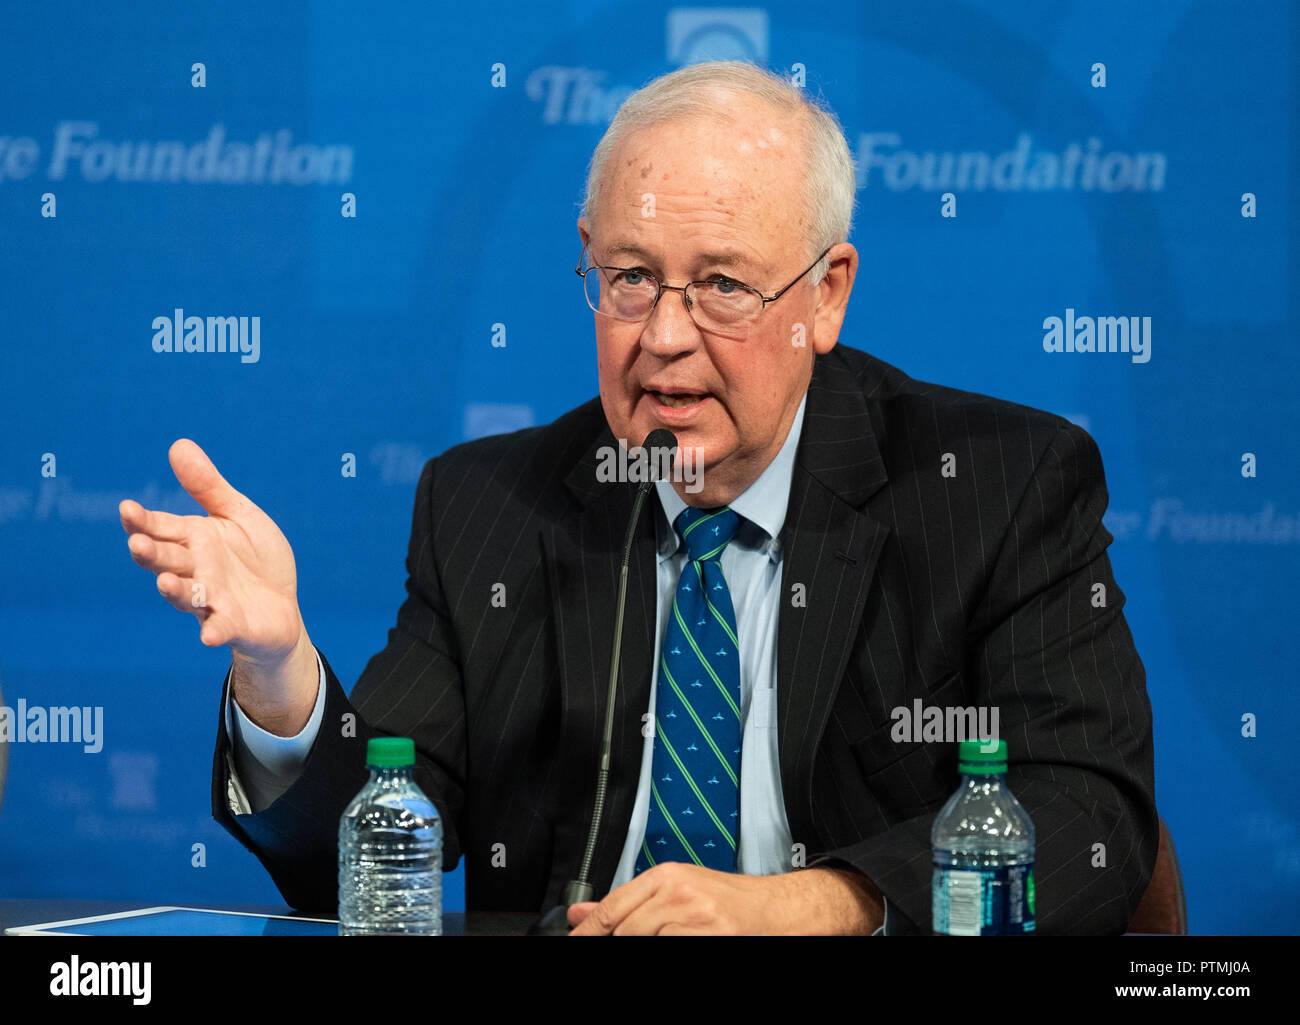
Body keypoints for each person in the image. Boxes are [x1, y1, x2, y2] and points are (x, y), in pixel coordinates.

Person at [119, 61, 1157, 935]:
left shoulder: (996, 486)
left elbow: (1087, 813)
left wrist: (808, 905)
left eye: (721, 285)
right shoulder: (488, 508)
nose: (662, 335)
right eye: (628, 278)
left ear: (825, 294)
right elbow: (368, 850)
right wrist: (280, 674)